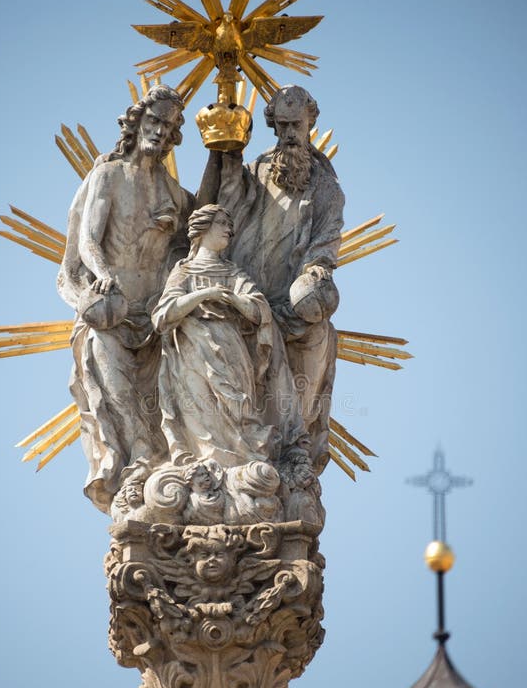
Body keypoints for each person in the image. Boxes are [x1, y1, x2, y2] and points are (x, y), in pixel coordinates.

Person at [57, 85, 194, 512]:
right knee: (102, 354)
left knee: (167, 387)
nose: (160, 130)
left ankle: (166, 458)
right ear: (136, 125)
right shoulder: (108, 176)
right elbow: (87, 241)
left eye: (169, 126)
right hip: (111, 309)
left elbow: (204, 232)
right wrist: (102, 278)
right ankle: (135, 457)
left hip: (156, 313)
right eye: (154, 121)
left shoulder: (172, 193)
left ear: (174, 137)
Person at [204, 85, 345, 471]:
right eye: (281, 126)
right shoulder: (257, 171)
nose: (289, 134)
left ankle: (293, 444)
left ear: (311, 121)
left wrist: (316, 274)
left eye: (295, 125)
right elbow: (221, 212)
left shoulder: (327, 188)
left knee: (316, 337)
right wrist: (224, 154)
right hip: (246, 293)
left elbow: (325, 245)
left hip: (294, 302)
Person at [152, 204, 304, 469]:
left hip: (232, 348)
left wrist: (234, 299)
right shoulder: (184, 272)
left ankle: (244, 463)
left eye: (229, 225)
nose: (228, 230)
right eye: (222, 223)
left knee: (238, 408)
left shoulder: (233, 273)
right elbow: (162, 316)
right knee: (202, 413)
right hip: (192, 350)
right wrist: (203, 295)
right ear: (202, 228)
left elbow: (258, 309)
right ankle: (209, 466)